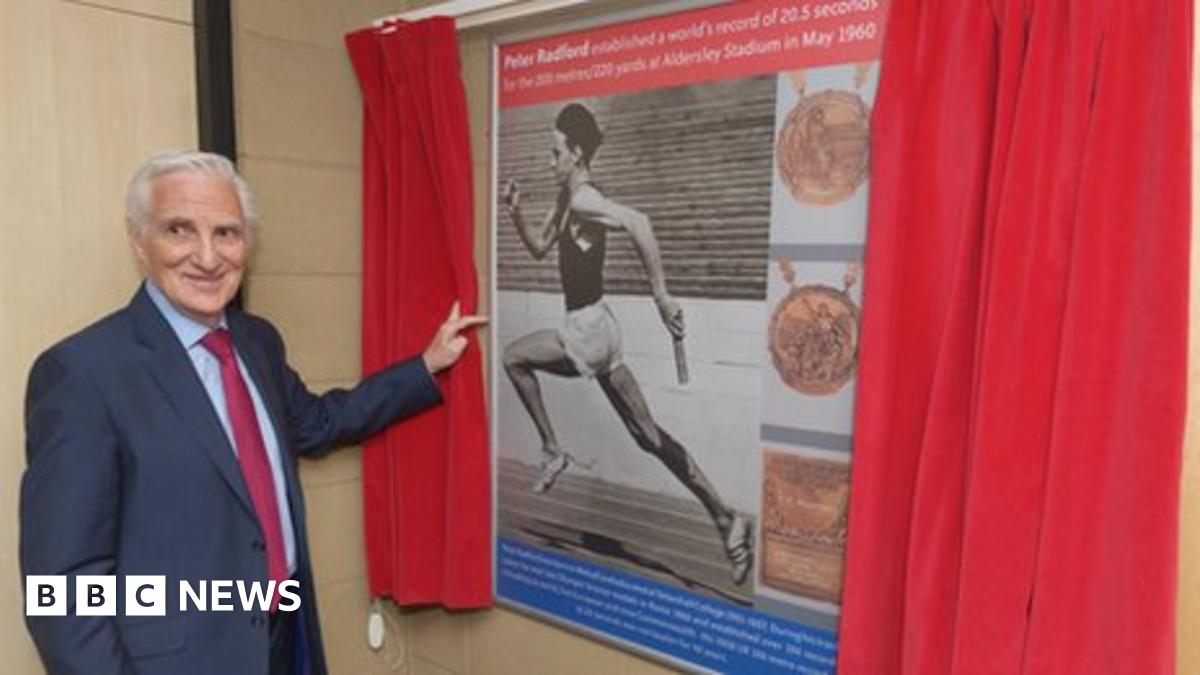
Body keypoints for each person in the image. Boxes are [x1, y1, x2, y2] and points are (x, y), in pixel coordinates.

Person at [19, 149, 485, 675]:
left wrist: (424, 368)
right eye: (179, 230)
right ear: (138, 240)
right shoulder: (82, 373)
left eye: (227, 233)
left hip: (284, 635)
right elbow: (62, 592)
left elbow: (317, 423)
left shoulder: (256, 341)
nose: (208, 256)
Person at [501, 103, 753, 585]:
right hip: (601, 329)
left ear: (576, 153)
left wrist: (660, 295)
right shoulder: (566, 199)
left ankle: (553, 449)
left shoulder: (583, 200)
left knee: (514, 358)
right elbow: (537, 247)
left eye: (555, 152)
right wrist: (515, 213)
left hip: (586, 331)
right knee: (648, 437)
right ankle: (725, 516)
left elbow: (640, 222)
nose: (548, 160)